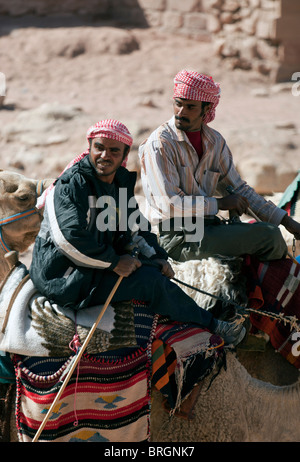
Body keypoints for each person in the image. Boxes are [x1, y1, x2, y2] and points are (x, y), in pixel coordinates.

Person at [29, 119, 245, 346]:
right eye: (99, 148)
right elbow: (68, 240)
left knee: (154, 270)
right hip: (63, 274)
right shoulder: (71, 185)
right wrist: (113, 262)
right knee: (149, 282)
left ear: (123, 156)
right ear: (90, 148)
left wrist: (158, 257)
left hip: (91, 265)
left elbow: (136, 228)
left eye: (113, 151)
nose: (104, 155)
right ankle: (214, 327)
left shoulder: (117, 185)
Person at [138, 69, 300, 263]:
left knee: (269, 231)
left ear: (206, 109)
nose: (181, 112)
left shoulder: (215, 142)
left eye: (190, 107)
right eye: (178, 104)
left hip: (208, 228)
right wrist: (220, 203)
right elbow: (169, 203)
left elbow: (240, 189)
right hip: (177, 238)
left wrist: (288, 222)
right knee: (269, 237)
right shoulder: (160, 143)